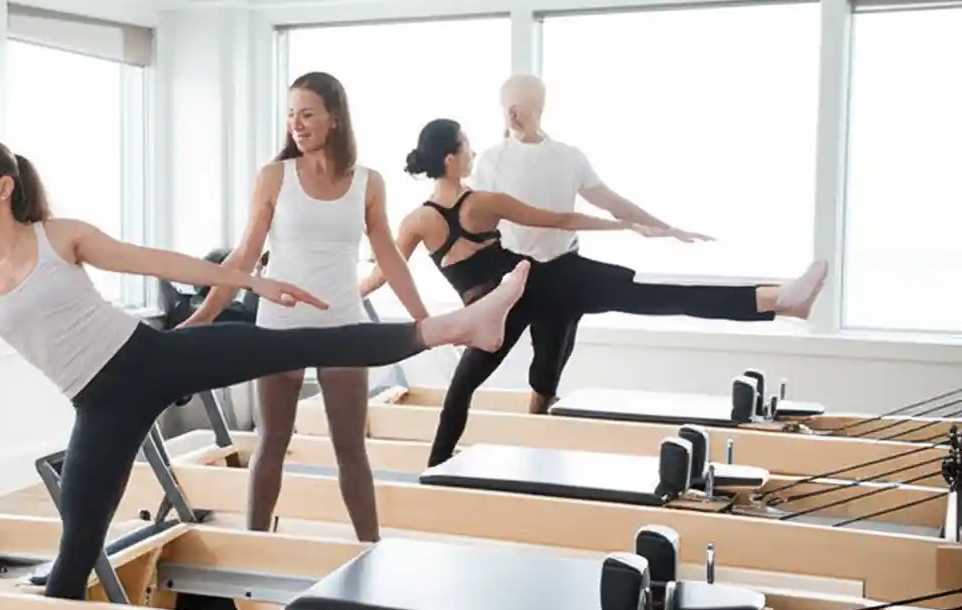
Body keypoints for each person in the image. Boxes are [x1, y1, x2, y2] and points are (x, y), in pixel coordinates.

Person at [0, 136, 530, 601]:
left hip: (151, 357)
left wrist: (250, 281)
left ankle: (458, 324)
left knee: (305, 343)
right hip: (101, 406)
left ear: (2, 187)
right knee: (76, 548)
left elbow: (157, 261)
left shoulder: (60, 236)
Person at [360, 118, 828, 466]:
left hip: (501, 307)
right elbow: (560, 220)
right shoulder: (484, 202)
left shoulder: (417, 221)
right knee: (661, 298)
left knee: (462, 389)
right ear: (451, 158)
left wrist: (348, 296)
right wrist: (624, 225)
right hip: (542, 285)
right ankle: (779, 300)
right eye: (467, 145)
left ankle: (437, 468)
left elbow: (383, 273)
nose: (474, 152)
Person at [179, 71, 428, 543]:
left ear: (335, 118)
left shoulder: (369, 182)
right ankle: (255, 544)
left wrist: (425, 320)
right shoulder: (274, 177)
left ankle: (370, 546)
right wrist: (202, 317)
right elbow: (244, 256)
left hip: (342, 325)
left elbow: (389, 256)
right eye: (291, 114)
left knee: (350, 448)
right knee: (272, 442)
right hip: (280, 323)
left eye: (307, 114)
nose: (296, 123)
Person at [470, 73, 733, 414]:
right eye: (508, 108)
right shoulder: (490, 160)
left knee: (550, 361)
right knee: (481, 357)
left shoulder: (568, 157)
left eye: (520, 108)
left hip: (562, 268)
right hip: (514, 272)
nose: (513, 116)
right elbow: (477, 221)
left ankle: (541, 414)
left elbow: (610, 201)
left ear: (540, 109)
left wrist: (664, 227)